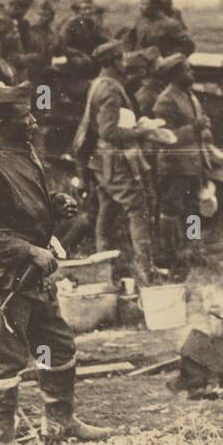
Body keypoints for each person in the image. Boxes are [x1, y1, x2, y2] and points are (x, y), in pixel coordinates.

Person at [0, 82, 114, 445]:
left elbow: (20, 201)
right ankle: (2, 442)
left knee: (58, 347)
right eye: (23, 116)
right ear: (0, 123)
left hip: (34, 279)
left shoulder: (21, 149)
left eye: (30, 113)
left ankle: (59, 423)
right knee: (5, 361)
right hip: (6, 284)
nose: (32, 121)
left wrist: (53, 202)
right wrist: (28, 250)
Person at [73, 40, 159, 285]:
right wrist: (142, 132)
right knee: (138, 209)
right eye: (121, 58)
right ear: (113, 62)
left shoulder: (99, 84)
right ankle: (145, 271)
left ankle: (104, 267)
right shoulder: (110, 89)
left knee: (107, 209)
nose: (125, 63)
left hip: (101, 161)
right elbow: (109, 131)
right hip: (113, 159)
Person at [152, 55, 223, 270]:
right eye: (187, 70)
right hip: (174, 167)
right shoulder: (165, 101)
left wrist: (204, 126)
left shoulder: (189, 95)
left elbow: (201, 121)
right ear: (175, 75)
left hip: (193, 164)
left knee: (192, 210)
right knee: (172, 211)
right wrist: (194, 128)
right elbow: (164, 136)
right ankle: (170, 255)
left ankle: (191, 248)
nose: (192, 74)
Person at [129, 0, 194, 58]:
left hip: (161, 65)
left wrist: (168, 56)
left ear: (155, 6)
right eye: (140, 4)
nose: (140, 7)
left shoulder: (170, 24)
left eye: (144, 4)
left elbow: (188, 45)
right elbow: (130, 38)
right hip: (140, 63)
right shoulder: (140, 20)